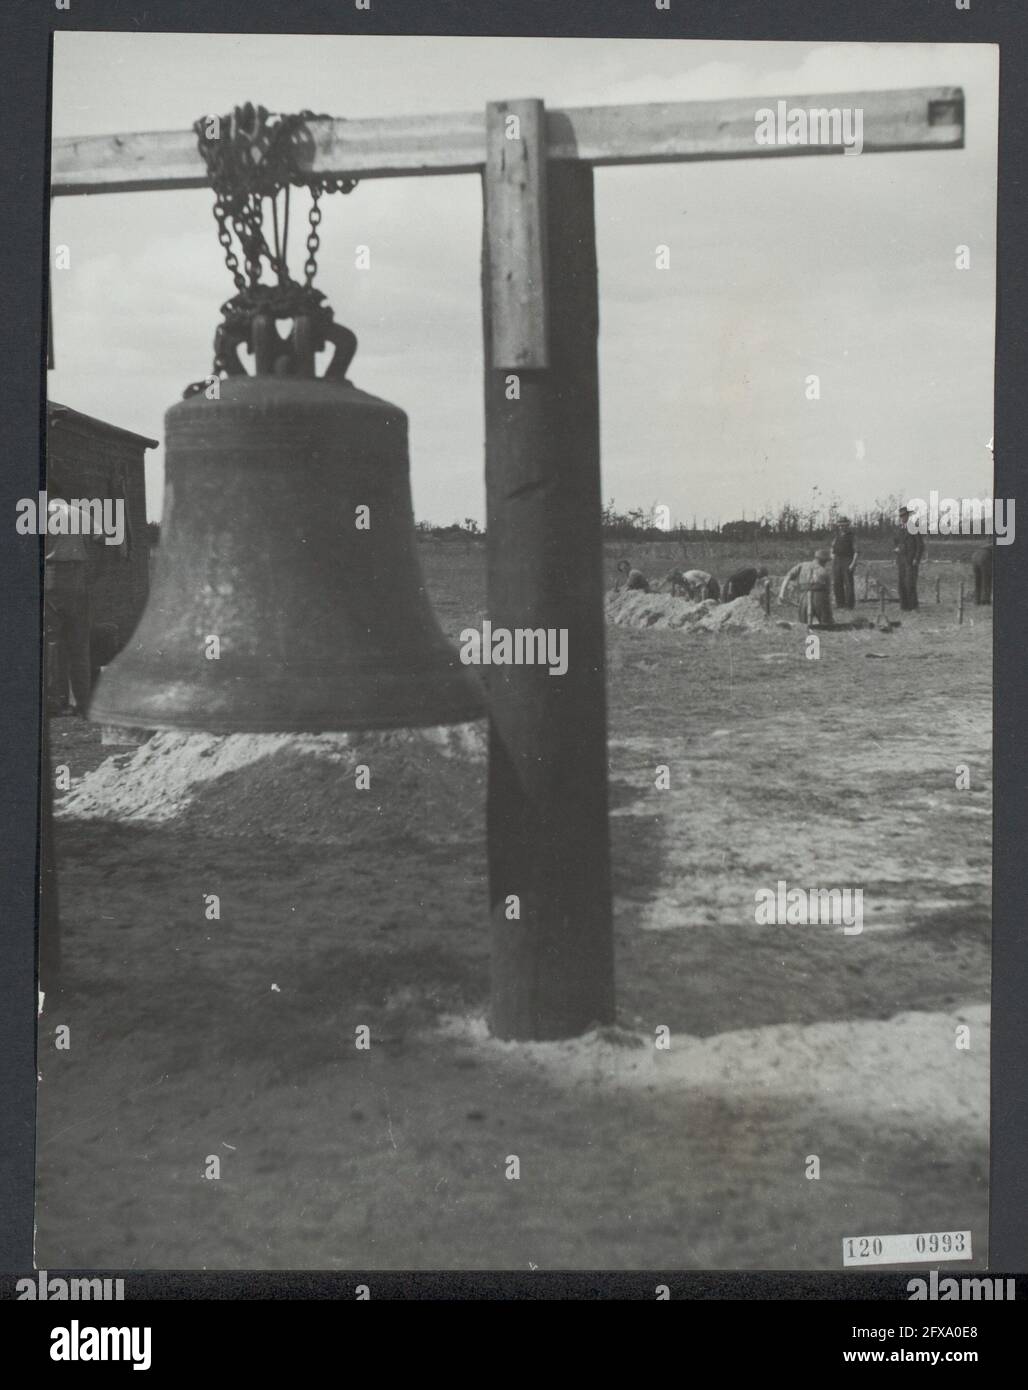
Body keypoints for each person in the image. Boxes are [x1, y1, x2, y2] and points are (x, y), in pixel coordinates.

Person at [44, 472, 95, 716]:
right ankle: (83, 701)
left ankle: (58, 701)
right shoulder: (80, 514)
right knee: (79, 641)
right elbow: (101, 539)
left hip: (51, 577)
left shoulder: (39, 515)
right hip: (78, 578)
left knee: (53, 641)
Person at [779, 547, 833, 627]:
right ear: (824, 561)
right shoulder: (824, 572)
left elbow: (788, 576)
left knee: (803, 624)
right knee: (827, 624)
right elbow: (828, 593)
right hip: (820, 597)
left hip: (804, 597)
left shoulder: (802, 565)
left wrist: (782, 593)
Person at [894, 506, 926, 611]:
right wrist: (896, 550)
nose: (903, 517)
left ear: (908, 516)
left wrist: (916, 558)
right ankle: (904, 606)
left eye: (904, 515)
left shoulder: (914, 527)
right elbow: (896, 543)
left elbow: (920, 545)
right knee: (901, 583)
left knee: (910, 583)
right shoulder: (899, 529)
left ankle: (913, 606)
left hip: (911, 561)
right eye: (901, 516)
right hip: (901, 560)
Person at [830, 516, 858, 610]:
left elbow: (856, 552)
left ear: (847, 525)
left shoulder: (852, 536)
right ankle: (840, 604)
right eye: (840, 525)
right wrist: (832, 557)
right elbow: (832, 548)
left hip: (847, 560)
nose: (842, 527)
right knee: (837, 583)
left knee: (848, 584)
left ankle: (849, 605)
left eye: (844, 525)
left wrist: (853, 564)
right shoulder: (837, 536)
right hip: (837, 561)